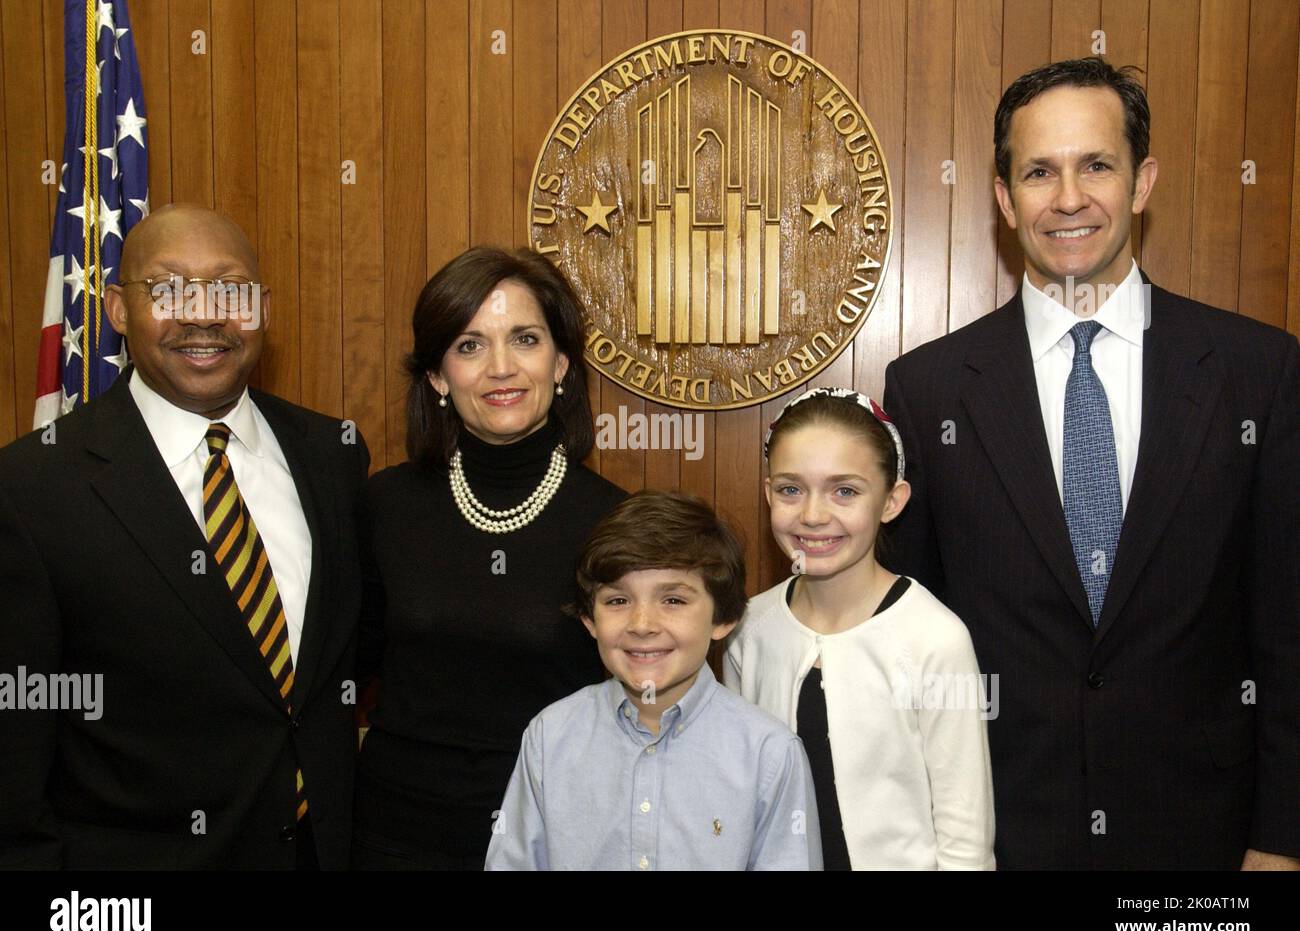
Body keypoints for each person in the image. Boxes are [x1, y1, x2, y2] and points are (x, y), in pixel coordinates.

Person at [884, 57, 1300, 869]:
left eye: (1096, 165)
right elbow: (909, 635)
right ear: (1005, 198)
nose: (1068, 197)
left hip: (1202, 849)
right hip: (1000, 840)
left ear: (1142, 181)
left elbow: (1287, 635)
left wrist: (1280, 843)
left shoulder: (1260, 371)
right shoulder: (928, 389)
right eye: (1039, 171)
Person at [0, 204, 369, 869]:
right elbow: (14, 757)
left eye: (230, 289)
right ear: (117, 308)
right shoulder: (32, 487)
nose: (205, 314)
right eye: (168, 289)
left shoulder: (334, 456)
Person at [354, 247, 626, 870]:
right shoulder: (383, 505)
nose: (501, 368)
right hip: (396, 836)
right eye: (470, 346)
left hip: (556, 835)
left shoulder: (617, 523)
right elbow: (344, 668)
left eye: (524, 339)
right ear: (437, 376)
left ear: (560, 364)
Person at [724, 388, 994, 870]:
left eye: (844, 491)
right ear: (767, 494)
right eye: (791, 489)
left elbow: (965, 834)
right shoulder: (750, 629)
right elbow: (741, 795)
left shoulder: (935, 638)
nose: (812, 515)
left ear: (892, 501)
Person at [485, 490, 822, 871]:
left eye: (673, 600)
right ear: (589, 620)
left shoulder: (770, 753)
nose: (642, 625)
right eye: (617, 601)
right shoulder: (549, 737)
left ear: (724, 619)